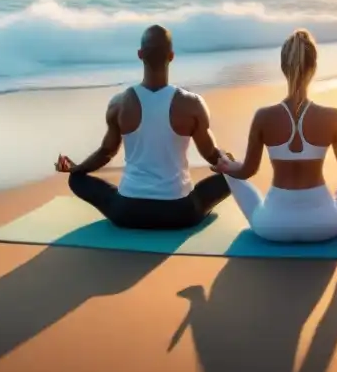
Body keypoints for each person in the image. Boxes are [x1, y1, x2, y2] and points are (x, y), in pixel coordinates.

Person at [54, 25, 232, 229]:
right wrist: (231, 162)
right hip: (179, 213)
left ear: (140, 54)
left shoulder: (119, 104)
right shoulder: (192, 104)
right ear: (171, 56)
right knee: (233, 175)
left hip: (128, 212)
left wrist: (77, 169)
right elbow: (210, 155)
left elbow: (106, 153)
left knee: (76, 180)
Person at [212, 29, 337, 242]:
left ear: (282, 67)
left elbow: (246, 171)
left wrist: (228, 167)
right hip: (324, 225)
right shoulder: (332, 116)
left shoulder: (264, 116)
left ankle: (227, 165)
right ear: (314, 67)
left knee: (231, 169)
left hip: (273, 226)